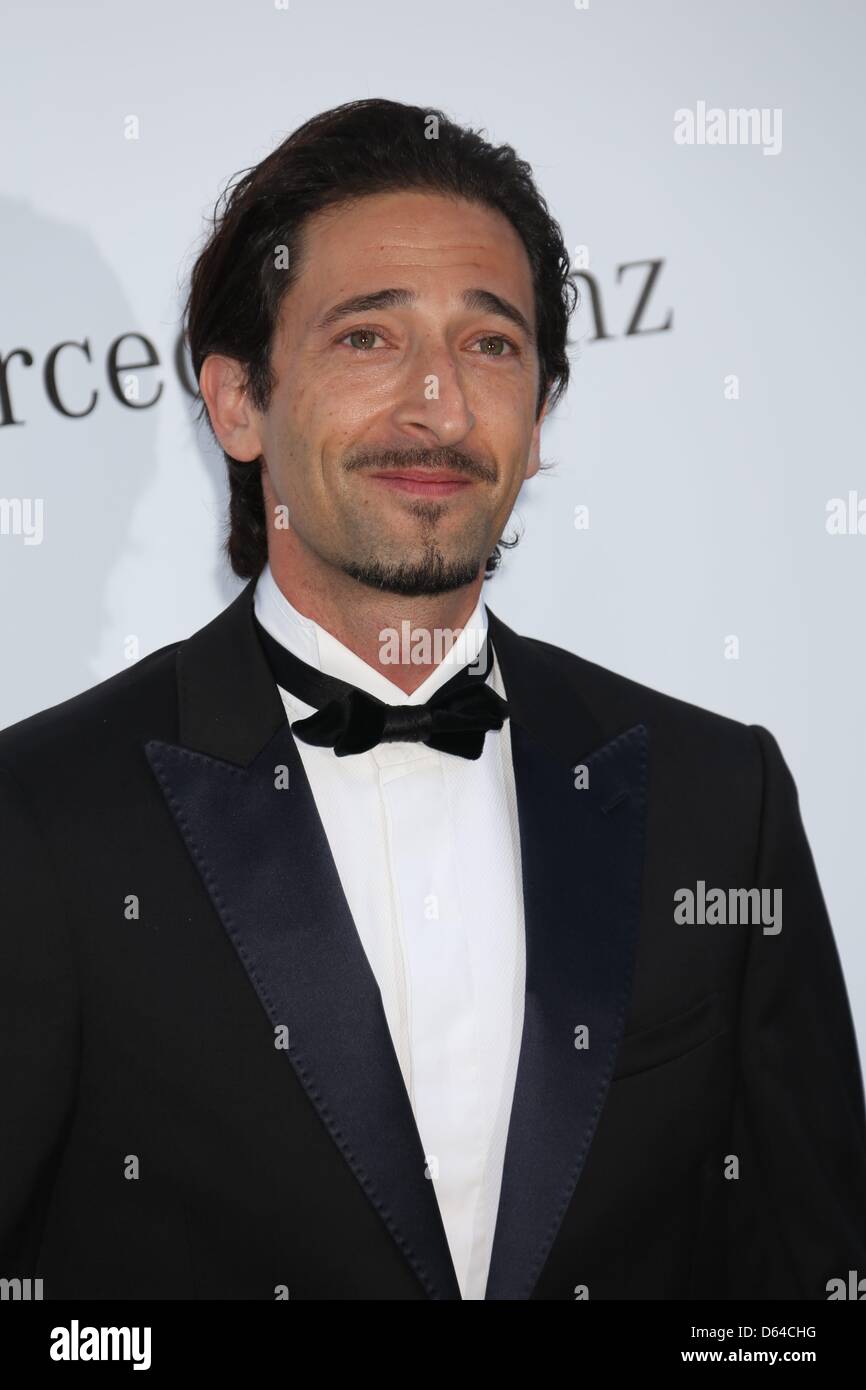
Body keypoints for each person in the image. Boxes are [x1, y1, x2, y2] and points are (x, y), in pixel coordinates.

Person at [1, 98, 864, 1301]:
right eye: (367, 339)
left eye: (490, 346)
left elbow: (806, 1281)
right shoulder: (40, 817)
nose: (438, 407)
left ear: (542, 414)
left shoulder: (719, 800)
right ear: (238, 402)